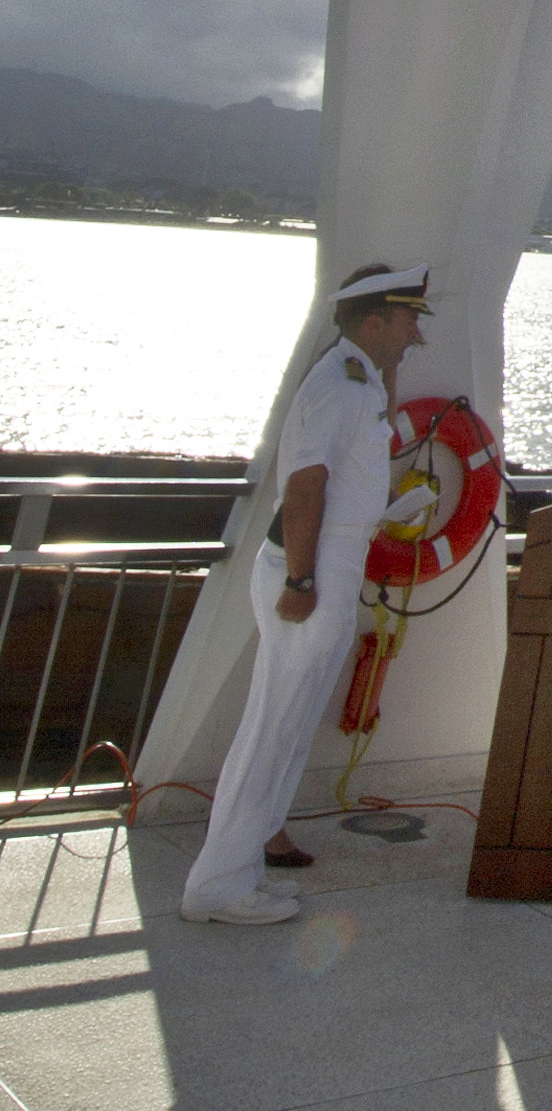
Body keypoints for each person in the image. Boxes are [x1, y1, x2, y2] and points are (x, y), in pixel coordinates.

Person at [182, 262, 430, 923]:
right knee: (269, 728)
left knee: (289, 729)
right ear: (375, 320)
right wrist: (300, 581)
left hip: (330, 563)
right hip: (310, 566)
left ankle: (243, 870)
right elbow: (306, 486)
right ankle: (216, 886)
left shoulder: (362, 381)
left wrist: (392, 366)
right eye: (409, 322)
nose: (416, 336)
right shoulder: (341, 386)